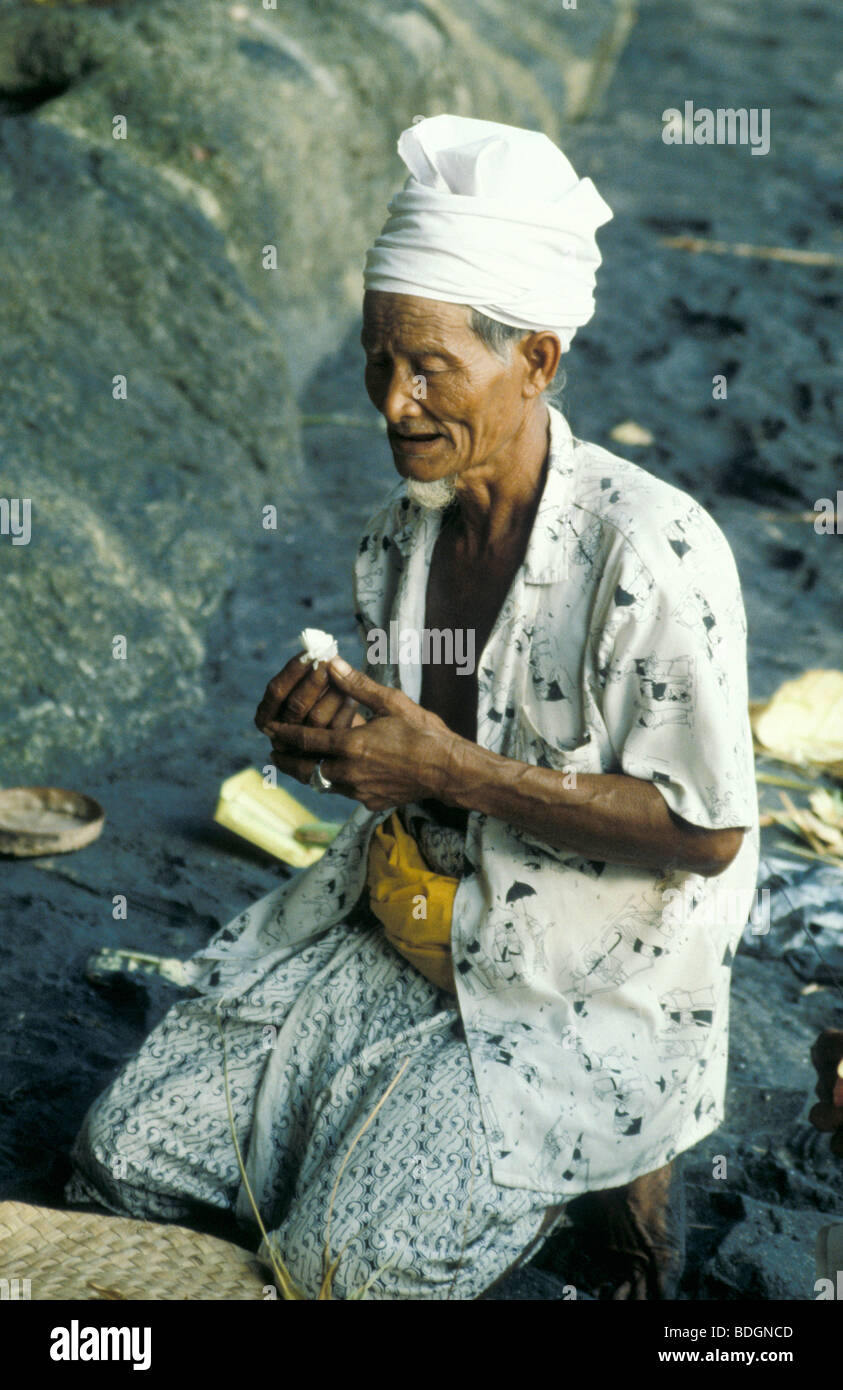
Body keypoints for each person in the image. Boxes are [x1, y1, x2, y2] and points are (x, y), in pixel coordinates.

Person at [66, 115, 760, 1300]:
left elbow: (706, 834)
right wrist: (334, 745)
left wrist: (443, 768)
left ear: (537, 359)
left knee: (336, 1268)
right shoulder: (404, 534)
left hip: (575, 983)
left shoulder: (650, 550)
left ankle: (605, 1173)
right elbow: (422, 763)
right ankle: (417, 1153)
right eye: (378, 360)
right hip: (408, 926)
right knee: (122, 1161)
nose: (394, 402)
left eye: (431, 365)